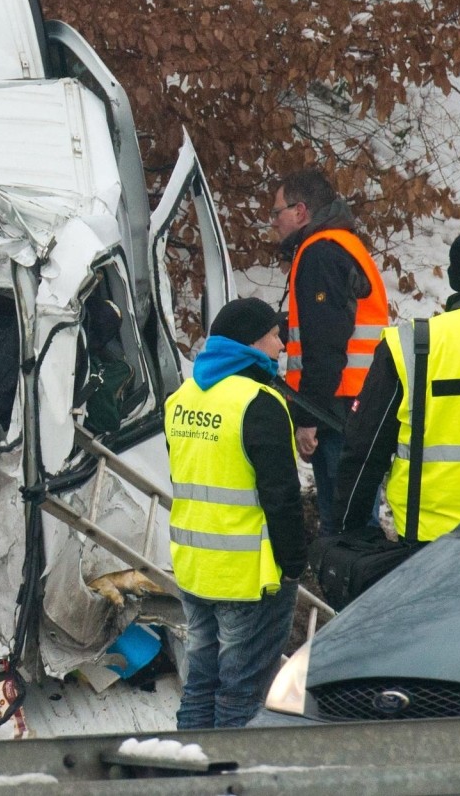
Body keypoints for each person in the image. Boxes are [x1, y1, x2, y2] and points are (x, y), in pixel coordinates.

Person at [334, 228, 460, 542]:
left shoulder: (409, 345)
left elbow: (365, 449)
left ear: (453, 279)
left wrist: (348, 530)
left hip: (426, 539)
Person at [165, 297, 305, 729]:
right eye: (275, 334)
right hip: (248, 577)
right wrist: (295, 562)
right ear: (251, 340)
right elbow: (281, 496)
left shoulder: (181, 397)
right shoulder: (259, 402)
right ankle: (232, 781)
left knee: (200, 684)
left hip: (194, 568)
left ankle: (188, 775)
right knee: (241, 695)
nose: (282, 345)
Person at [269, 169, 389, 535]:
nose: (273, 222)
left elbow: (325, 344)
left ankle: (352, 593)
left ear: (300, 211)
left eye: (277, 213)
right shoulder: (340, 245)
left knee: (343, 523)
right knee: (354, 516)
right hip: (355, 403)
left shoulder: (320, 253)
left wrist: (308, 416)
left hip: (336, 410)